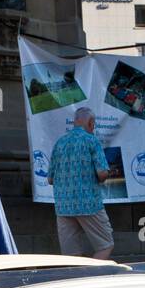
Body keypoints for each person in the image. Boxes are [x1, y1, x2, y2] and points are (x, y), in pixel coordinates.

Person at [47, 106, 114, 259]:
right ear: (90, 123)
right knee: (106, 245)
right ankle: (89, 277)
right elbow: (102, 174)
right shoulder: (92, 140)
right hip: (89, 204)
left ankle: (77, 279)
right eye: (94, 124)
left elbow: (50, 179)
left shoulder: (59, 143)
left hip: (63, 207)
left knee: (72, 256)